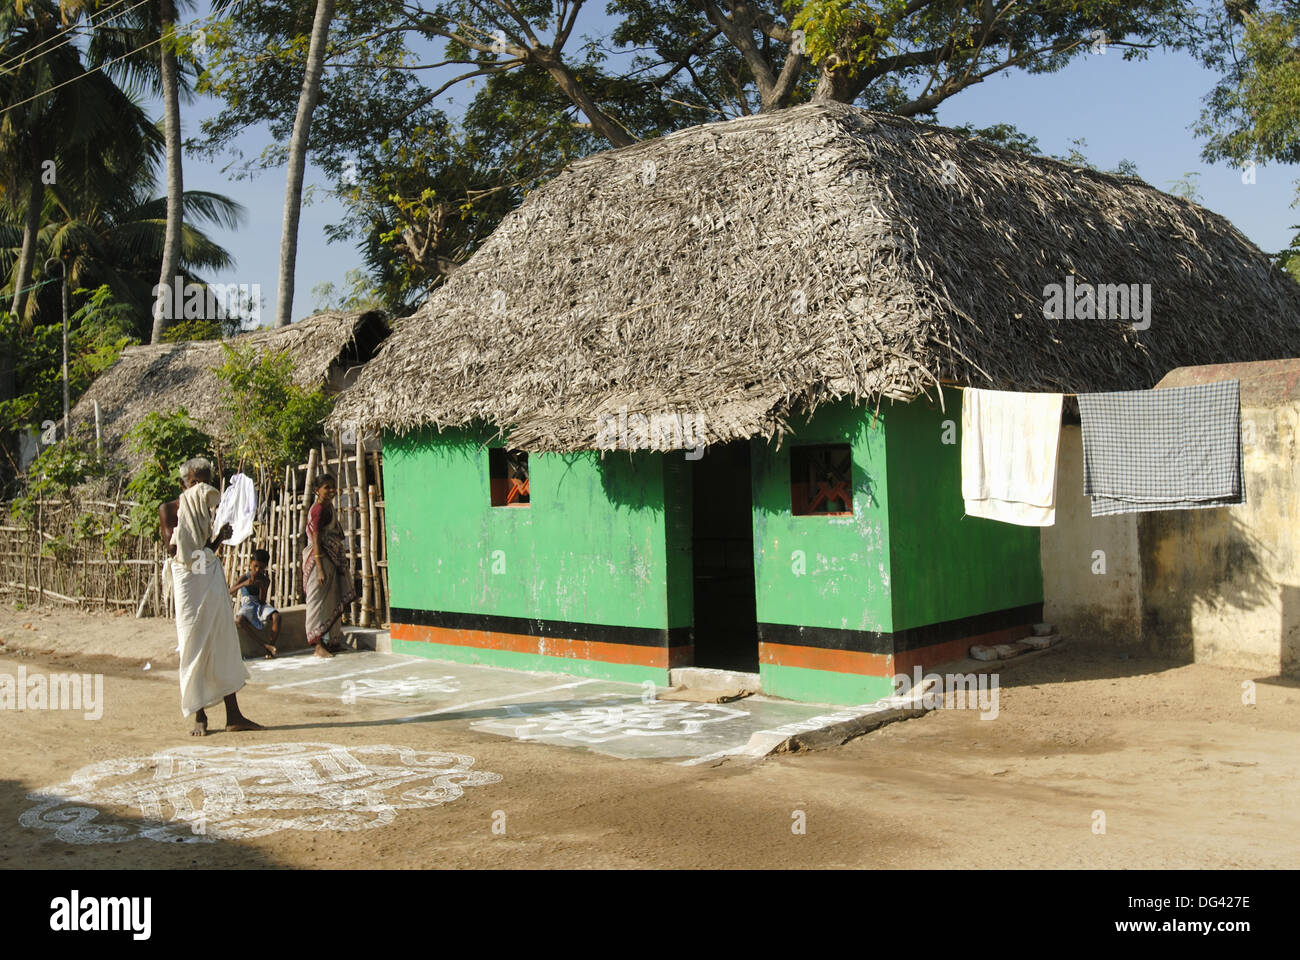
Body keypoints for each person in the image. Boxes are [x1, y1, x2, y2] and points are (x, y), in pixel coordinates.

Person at [160, 458, 264, 736]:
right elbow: (179, 552)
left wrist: (218, 539)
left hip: (209, 579)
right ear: (184, 484)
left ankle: (234, 715)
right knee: (192, 643)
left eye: (205, 482)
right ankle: (199, 714)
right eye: (195, 483)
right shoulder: (170, 510)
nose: (200, 488)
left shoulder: (208, 512)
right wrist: (206, 538)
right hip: (188, 584)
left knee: (222, 639)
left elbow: (204, 551)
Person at [303, 473, 356, 658]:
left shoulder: (328, 507)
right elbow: (316, 537)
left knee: (332, 599)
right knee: (317, 603)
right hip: (320, 559)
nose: (331, 490)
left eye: (333, 487)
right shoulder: (317, 510)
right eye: (326, 487)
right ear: (317, 490)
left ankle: (333, 641)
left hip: (330, 559)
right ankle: (317, 645)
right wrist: (319, 567)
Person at [231, 548, 279, 659]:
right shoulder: (245, 577)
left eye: (261, 568)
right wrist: (245, 584)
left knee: (276, 616)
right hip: (247, 604)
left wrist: (261, 587)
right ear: (250, 564)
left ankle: (271, 645)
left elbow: (262, 601)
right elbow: (230, 591)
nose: (257, 570)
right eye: (255, 566)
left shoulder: (265, 580)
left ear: (265, 567)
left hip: (259, 605)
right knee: (239, 620)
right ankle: (265, 645)